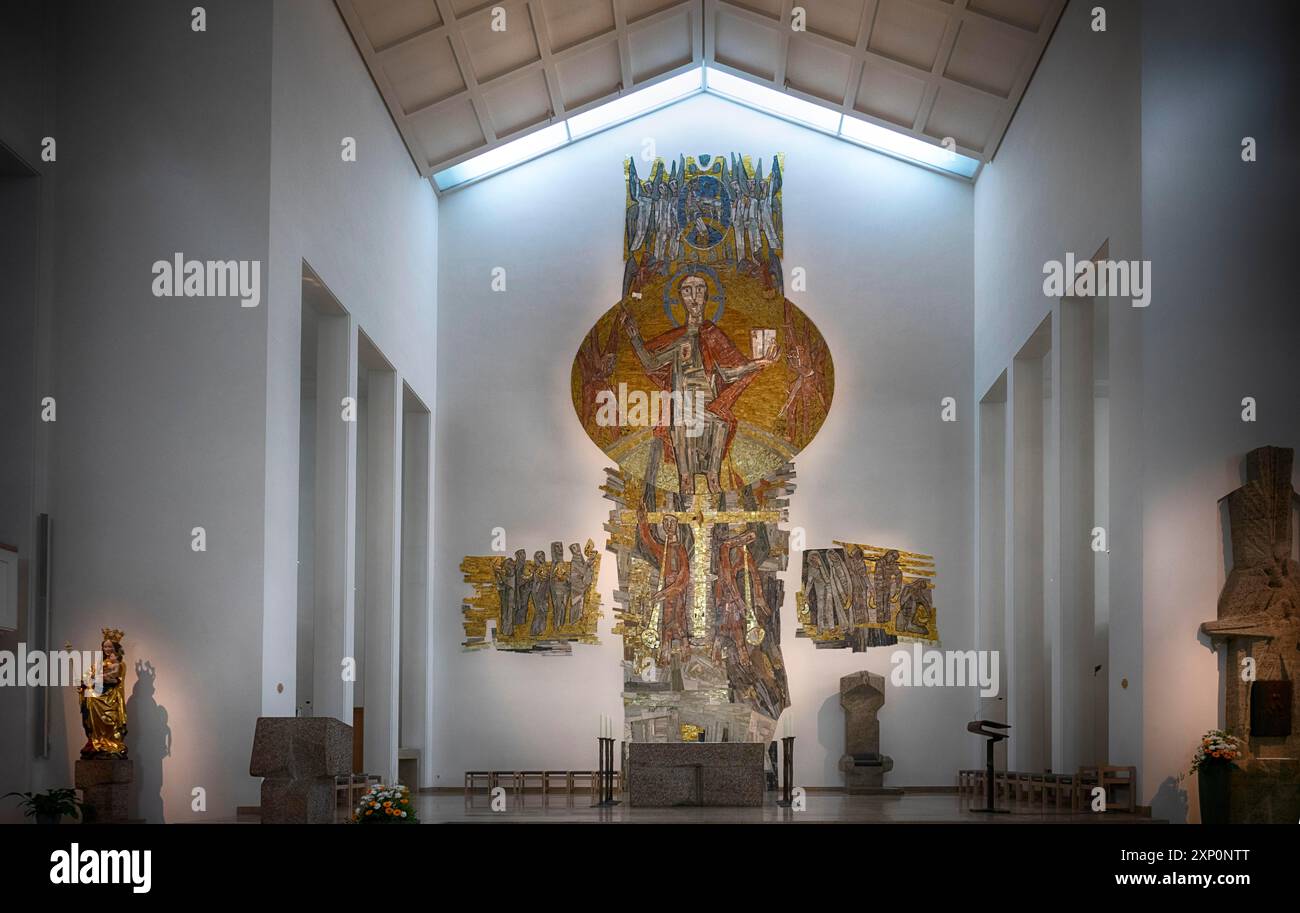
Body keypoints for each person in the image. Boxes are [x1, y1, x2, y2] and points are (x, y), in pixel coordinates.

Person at [619, 273, 779, 494]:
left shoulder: (713, 334)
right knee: (682, 434)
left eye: (700, 289)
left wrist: (758, 363)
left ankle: (715, 485)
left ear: (707, 296)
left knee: (721, 425)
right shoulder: (679, 339)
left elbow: (729, 374)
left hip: (707, 403)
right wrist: (635, 336)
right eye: (687, 290)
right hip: (683, 404)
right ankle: (685, 483)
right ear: (680, 299)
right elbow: (651, 363)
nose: (694, 296)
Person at [76, 628, 128, 758]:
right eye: (105, 646)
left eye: (110, 646)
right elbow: (88, 675)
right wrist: (83, 681)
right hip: (96, 695)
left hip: (110, 696)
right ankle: (96, 739)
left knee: (109, 718)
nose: (107, 649)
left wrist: (98, 678)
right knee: (90, 700)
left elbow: (115, 679)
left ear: (115, 648)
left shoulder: (120, 664)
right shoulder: (98, 663)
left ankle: (110, 741)